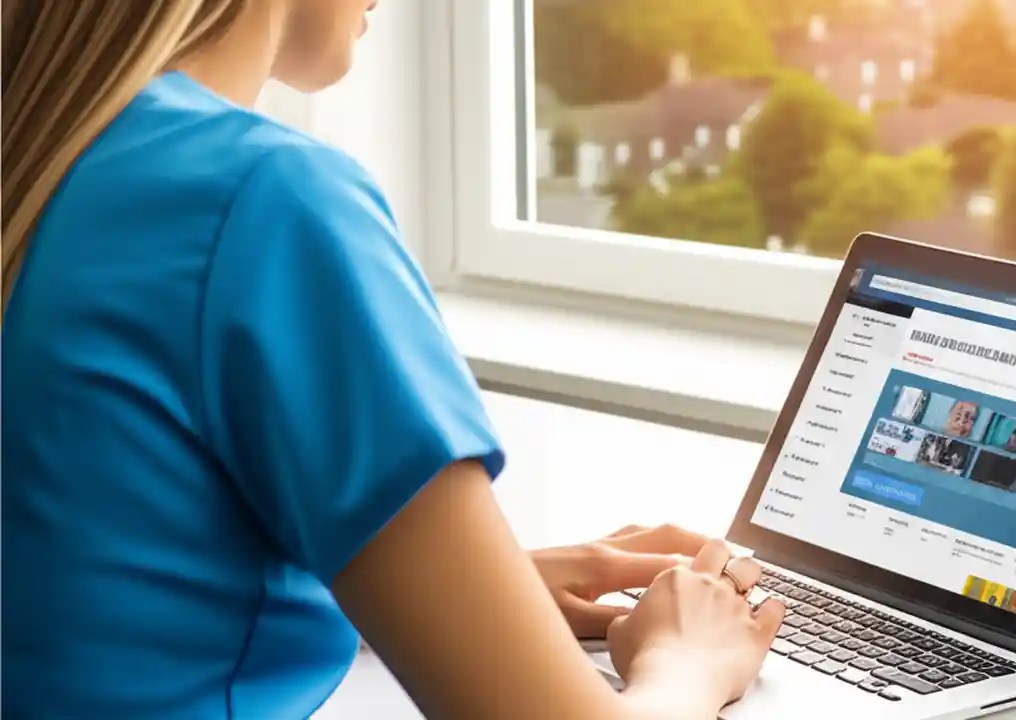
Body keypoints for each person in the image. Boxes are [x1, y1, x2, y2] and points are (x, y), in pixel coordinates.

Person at [0, 2, 784, 718]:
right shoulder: (269, 201)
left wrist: (454, 601)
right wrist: (688, 660)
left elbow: (87, 584)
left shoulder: (41, 159)